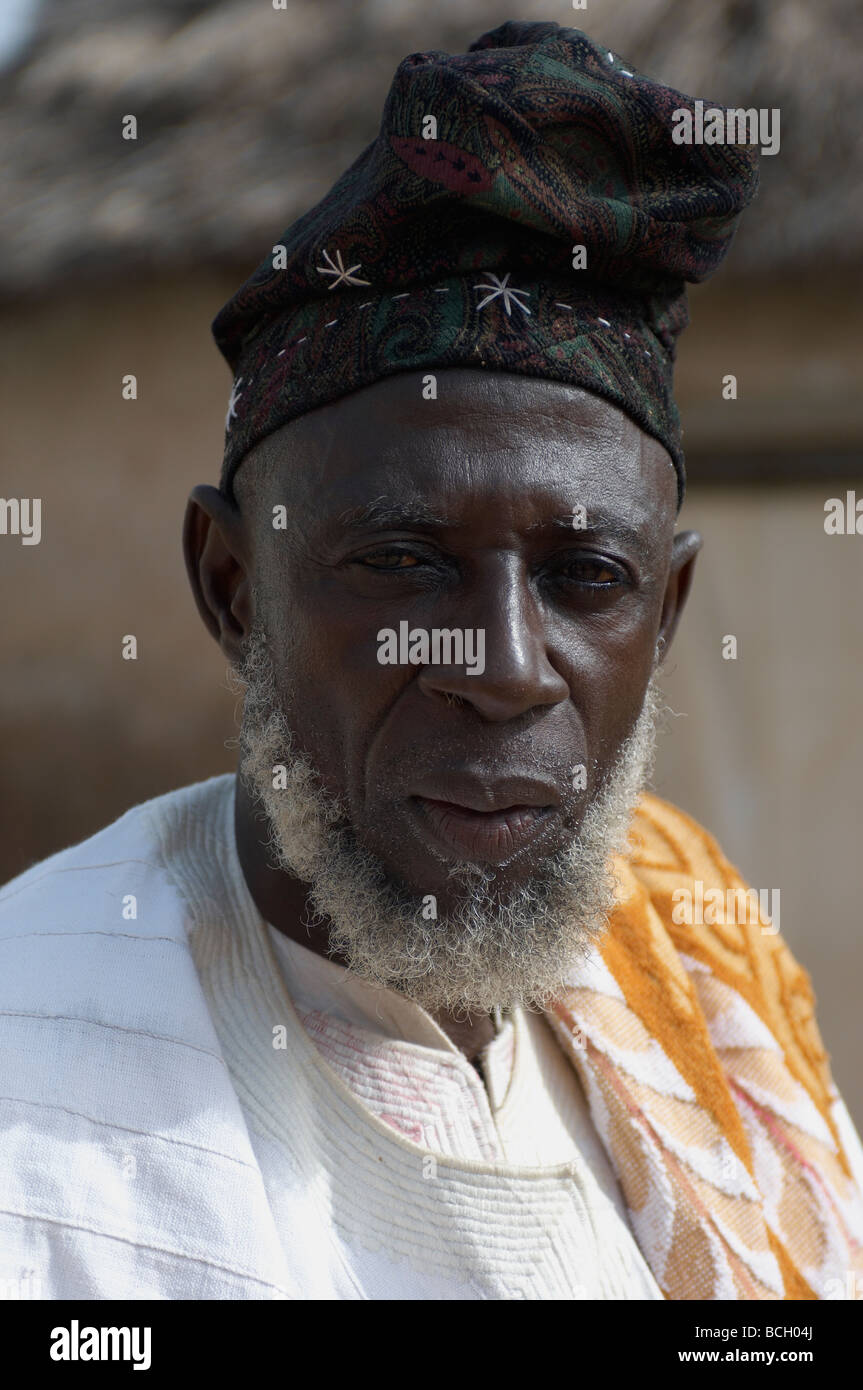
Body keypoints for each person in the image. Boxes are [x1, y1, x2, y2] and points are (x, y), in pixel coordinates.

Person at [2, 21, 861, 1302]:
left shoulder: (700, 970)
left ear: (668, 612)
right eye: (402, 560)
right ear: (232, 588)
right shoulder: (35, 1096)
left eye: (586, 577)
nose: (504, 670)